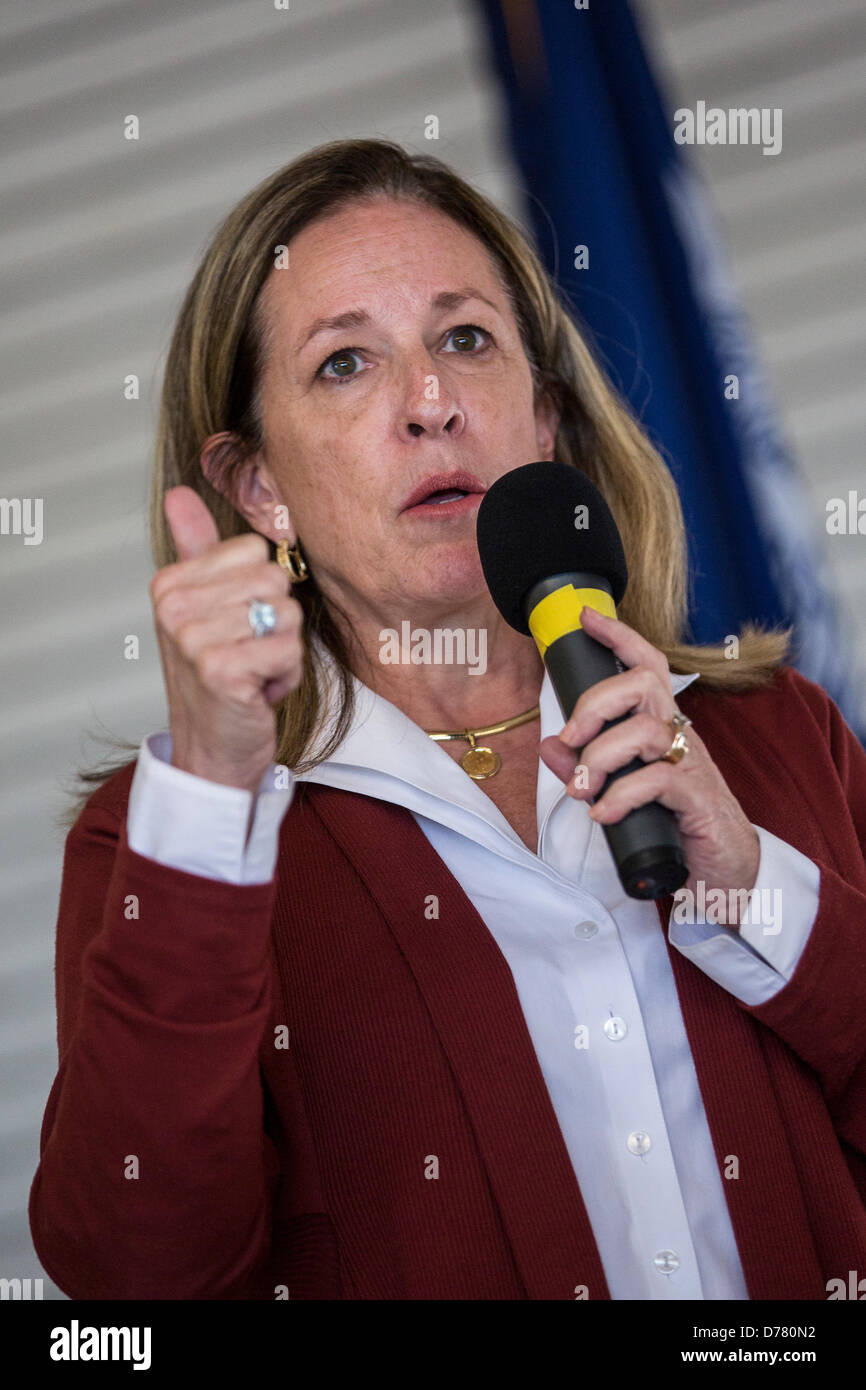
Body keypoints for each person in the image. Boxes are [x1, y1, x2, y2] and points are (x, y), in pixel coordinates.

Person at [29, 139, 866, 1301]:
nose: (429, 404)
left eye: (463, 339)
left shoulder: (779, 737)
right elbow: (135, 1276)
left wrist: (753, 888)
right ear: (259, 487)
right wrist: (216, 795)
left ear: (545, 423)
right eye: (344, 364)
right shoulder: (169, 835)